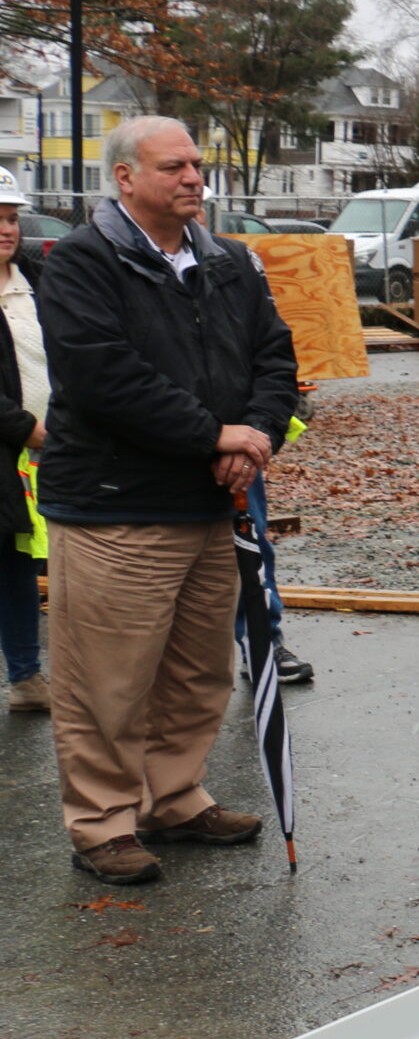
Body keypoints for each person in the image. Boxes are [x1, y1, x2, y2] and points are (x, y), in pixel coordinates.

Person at [39, 117, 298, 885]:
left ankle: (175, 796)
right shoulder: (83, 263)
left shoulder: (230, 262)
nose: (195, 178)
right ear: (125, 177)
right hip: (116, 506)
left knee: (197, 673)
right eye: (174, 166)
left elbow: (274, 356)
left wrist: (255, 433)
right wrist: (214, 437)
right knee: (108, 681)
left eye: (197, 164)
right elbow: (101, 377)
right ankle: (103, 822)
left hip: (209, 506)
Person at [0, 168, 49, 712]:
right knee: (8, 563)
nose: (6, 229)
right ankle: (25, 674)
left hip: (45, 454)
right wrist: (27, 428)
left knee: (22, 561)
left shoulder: (38, 280)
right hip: (19, 445)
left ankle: (27, 679)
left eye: (11, 219)